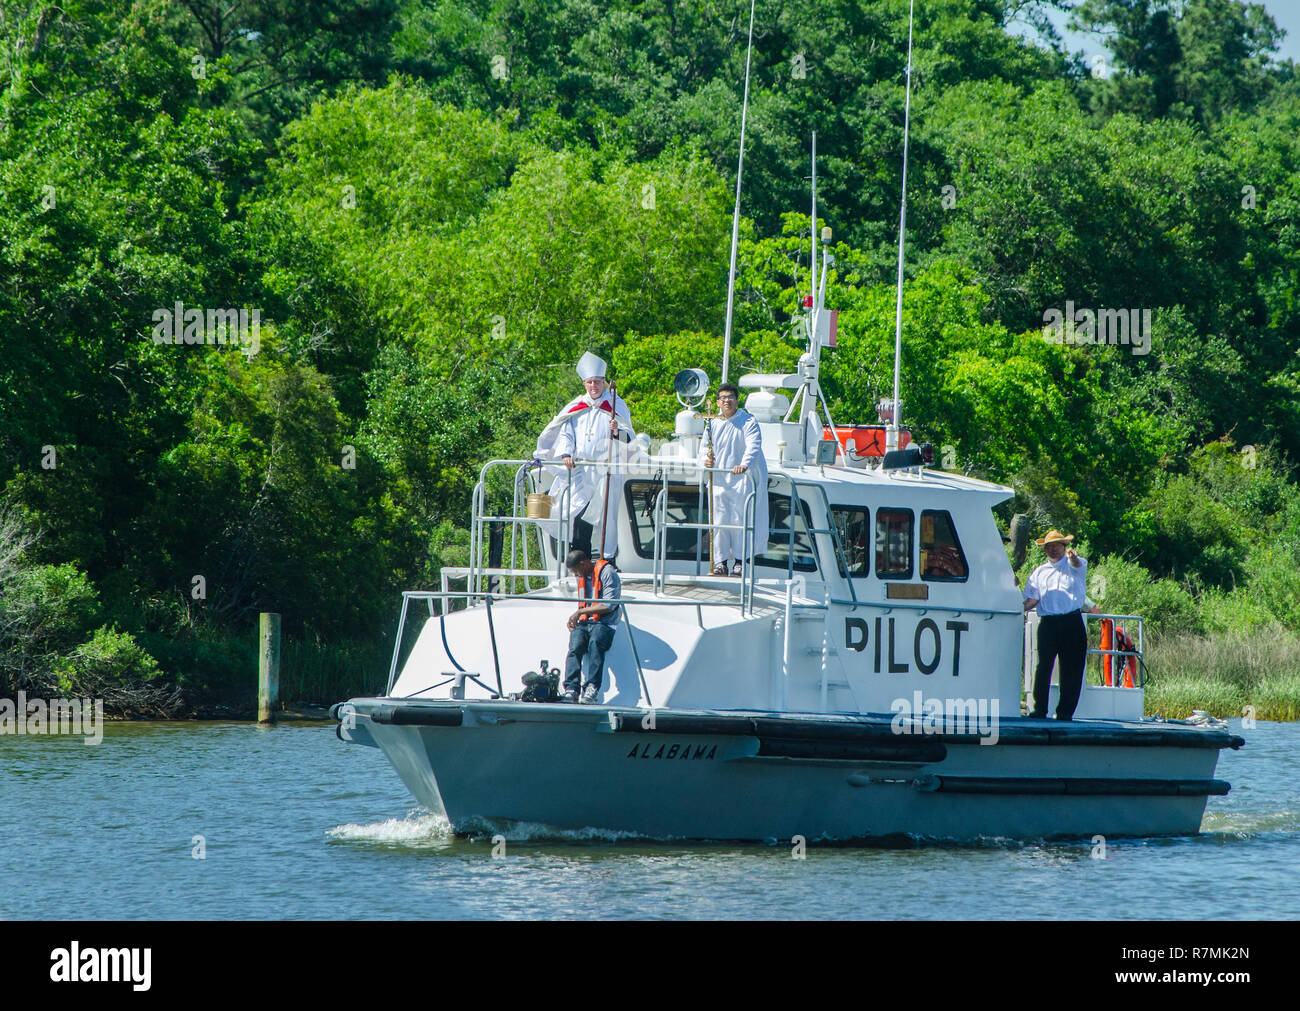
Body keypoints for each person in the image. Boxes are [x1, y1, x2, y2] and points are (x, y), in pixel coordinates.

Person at [534, 352, 635, 560]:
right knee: (577, 513)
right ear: (584, 384)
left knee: (606, 517)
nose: (593, 386)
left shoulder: (616, 405)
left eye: (597, 382)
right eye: (589, 382)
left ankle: (607, 560)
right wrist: (566, 454)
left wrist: (617, 431)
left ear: (604, 382)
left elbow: (630, 438)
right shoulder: (576, 406)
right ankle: (580, 559)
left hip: (606, 471)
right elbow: (565, 432)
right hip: (581, 471)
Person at [1022, 529, 1098, 720]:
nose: (1053, 550)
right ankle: (1040, 709)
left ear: (1064, 547)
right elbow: (1031, 599)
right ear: (1045, 550)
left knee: (1071, 668)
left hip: (1071, 620)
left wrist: (1072, 557)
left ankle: (1065, 712)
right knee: (1043, 667)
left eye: (1057, 546)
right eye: (1049, 547)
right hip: (1048, 622)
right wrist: (1014, 607)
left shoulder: (1075, 566)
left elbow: (1077, 563)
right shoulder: (1039, 572)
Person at [698, 383, 769, 576]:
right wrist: (706, 460)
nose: (726, 401)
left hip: (741, 480)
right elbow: (704, 446)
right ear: (718, 402)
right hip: (719, 479)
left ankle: (739, 562)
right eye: (722, 397)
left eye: (730, 397)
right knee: (719, 520)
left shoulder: (747, 421)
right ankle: (720, 562)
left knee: (739, 520)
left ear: (737, 400)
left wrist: (744, 465)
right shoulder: (712, 422)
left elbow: (753, 445)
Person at [562, 548, 622, 704]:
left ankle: (592, 688)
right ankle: (571, 689)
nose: (575, 576)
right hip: (586, 621)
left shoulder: (607, 573)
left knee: (595, 643)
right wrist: (578, 617)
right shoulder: (582, 575)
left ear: (583, 564)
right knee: (575, 646)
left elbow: (610, 604)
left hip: (605, 622)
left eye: (576, 571)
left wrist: (579, 612)